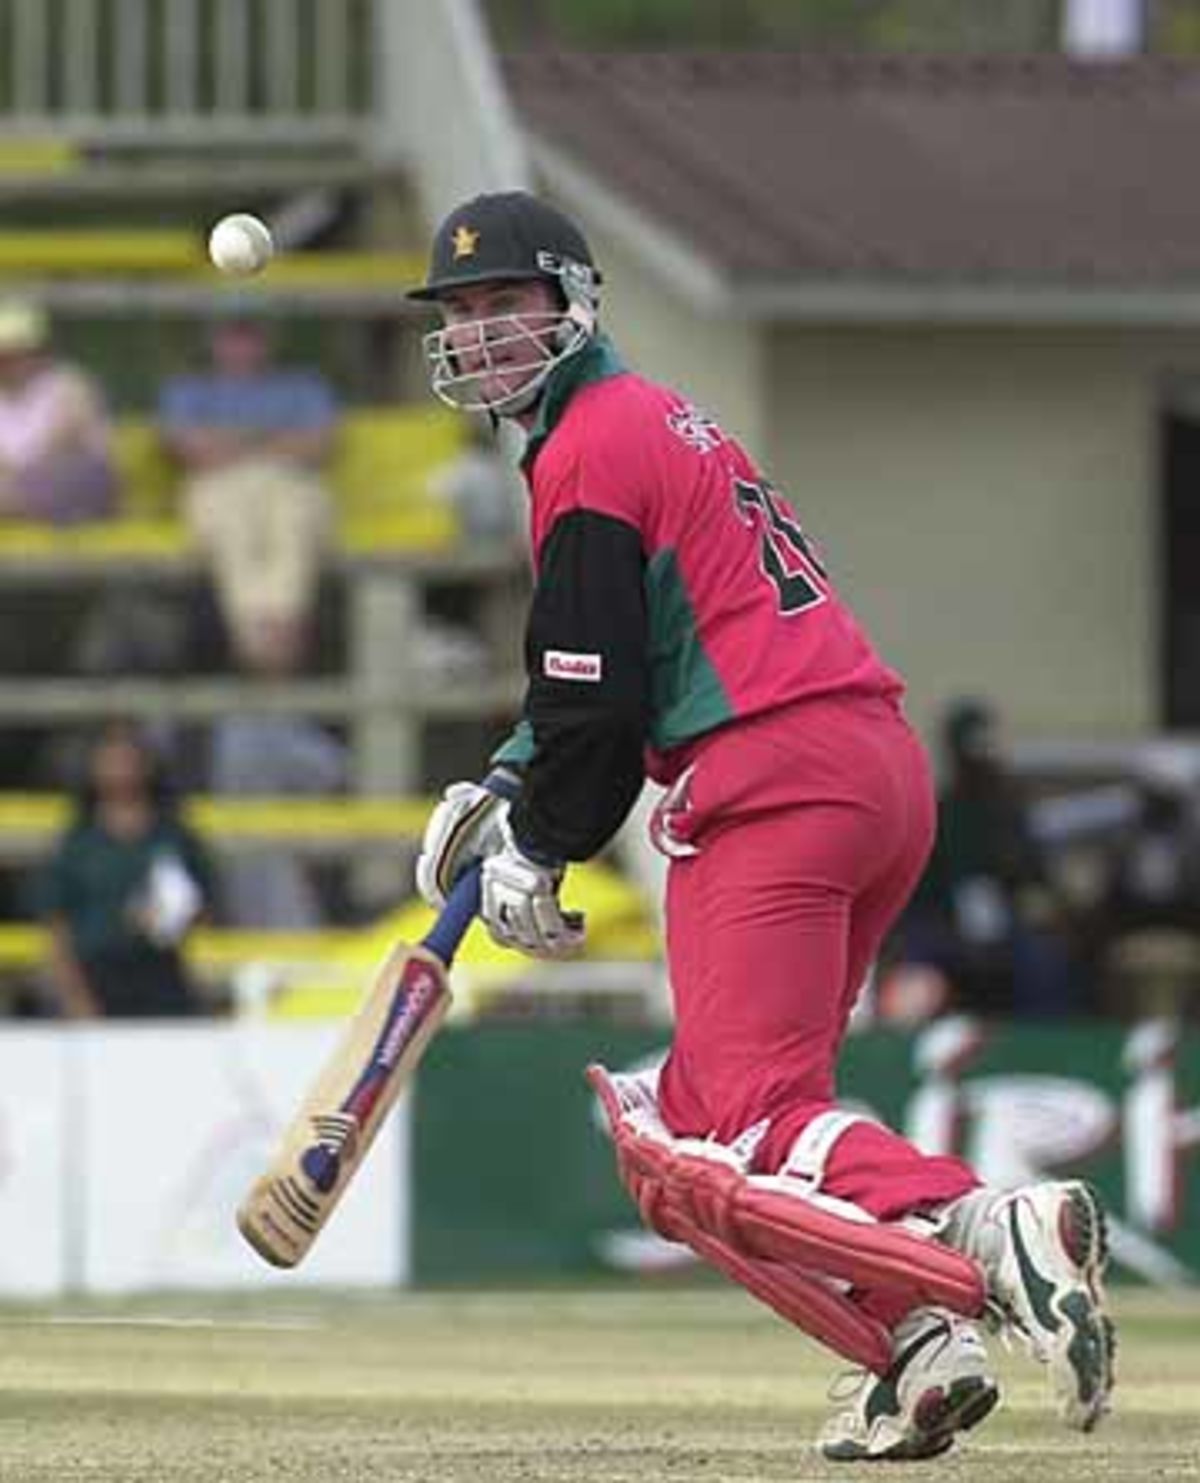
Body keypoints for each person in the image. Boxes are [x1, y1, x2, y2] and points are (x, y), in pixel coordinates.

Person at [405, 191, 1115, 1460]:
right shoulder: (646, 418)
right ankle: (912, 1340)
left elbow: (601, 699)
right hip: (868, 767)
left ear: (572, 304)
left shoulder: (588, 446)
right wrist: (512, 779)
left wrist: (542, 842)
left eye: (503, 304)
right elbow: (625, 651)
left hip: (773, 778)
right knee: (699, 1150)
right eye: (458, 313)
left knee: (721, 1126)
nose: (480, 334)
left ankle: (984, 1228)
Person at [157, 310, 338, 671]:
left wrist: (233, 443)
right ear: (214, 342)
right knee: (232, 523)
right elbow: (187, 449)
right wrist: (271, 440)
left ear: (268, 340)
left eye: (250, 335)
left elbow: (319, 446)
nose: (242, 346)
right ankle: (270, 636)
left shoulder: (303, 384)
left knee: (295, 516)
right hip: (219, 487)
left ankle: (266, 636)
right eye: (232, 336)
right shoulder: (189, 388)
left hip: (288, 483)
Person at [895, 697, 1085, 1018]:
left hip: (1005, 928)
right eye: (969, 757)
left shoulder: (1010, 811)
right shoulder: (937, 810)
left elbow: (1037, 875)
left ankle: (1040, 1053)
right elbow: (914, 887)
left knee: (1045, 962)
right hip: (943, 927)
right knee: (916, 968)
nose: (979, 765)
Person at [37, 720, 216, 1018]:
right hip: (96, 976)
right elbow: (57, 925)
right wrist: (76, 998)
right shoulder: (78, 840)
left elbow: (204, 906)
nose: (121, 771)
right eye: (111, 760)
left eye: (128, 760)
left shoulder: (172, 834)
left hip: (161, 976)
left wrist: (168, 917)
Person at [0, 297, 118, 525]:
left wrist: (13, 475)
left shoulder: (69, 384)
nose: (9, 361)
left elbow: (63, 445)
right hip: (20, 485)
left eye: (16, 352)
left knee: (60, 474)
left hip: (72, 481)